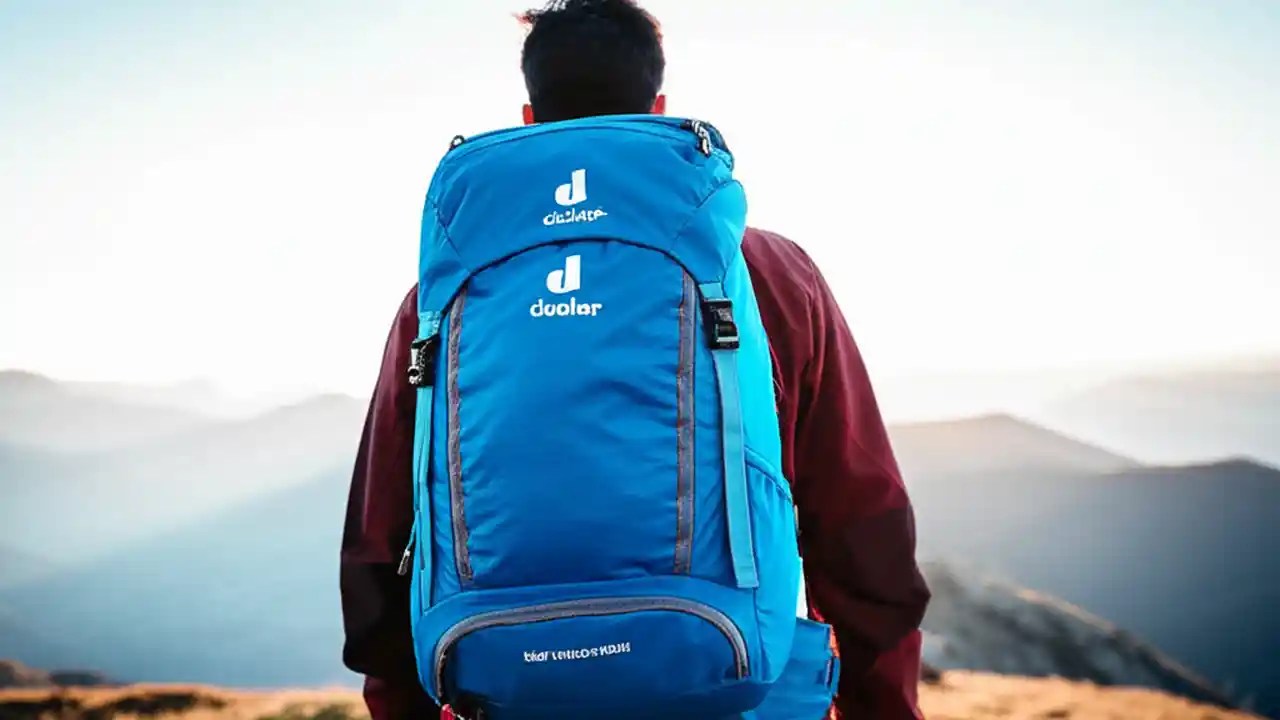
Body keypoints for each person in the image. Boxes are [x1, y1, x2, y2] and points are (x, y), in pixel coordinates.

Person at [339, 1, 931, 718]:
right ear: (656, 109)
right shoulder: (768, 273)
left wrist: (400, 701)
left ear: (530, 119)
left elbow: (380, 543)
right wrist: (885, 706)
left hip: (511, 690)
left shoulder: (446, 296)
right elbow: (862, 524)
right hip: (735, 684)